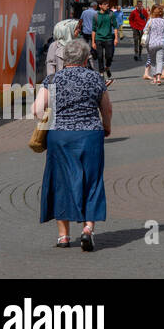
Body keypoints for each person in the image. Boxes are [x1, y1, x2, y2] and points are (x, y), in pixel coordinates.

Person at [34, 39, 111, 250]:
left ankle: (63, 236)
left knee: (60, 181)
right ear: (86, 59)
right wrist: (106, 127)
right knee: (92, 180)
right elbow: (107, 109)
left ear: (64, 59)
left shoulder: (52, 79)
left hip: (60, 137)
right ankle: (87, 229)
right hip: (90, 135)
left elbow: (37, 110)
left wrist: (52, 122)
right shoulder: (95, 78)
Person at [90, 0, 119, 86]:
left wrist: (116, 38)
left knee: (109, 56)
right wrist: (93, 42)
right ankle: (101, 74)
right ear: (100, 6)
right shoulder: (95, 16)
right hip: (99, 38)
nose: (107, 6)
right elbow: (94, 30)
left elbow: (115, 27)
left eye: (107, 4)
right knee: (99, 56)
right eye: (105, 4)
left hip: (109, 38)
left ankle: (107, 67)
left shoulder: (111, 14)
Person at [143, 5, 164, 86]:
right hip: (162, 43)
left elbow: (145, 30)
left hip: (151, 43)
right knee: (160, 61)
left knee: (153, 61)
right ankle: (159, 78)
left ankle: (154, 79)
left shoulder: (150, 21)